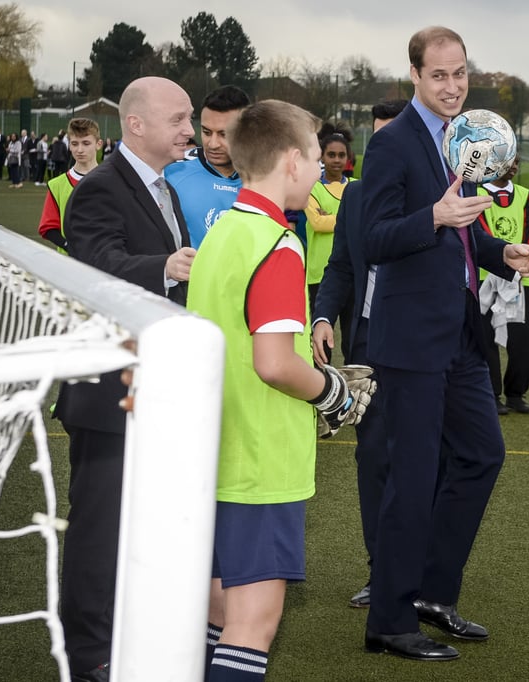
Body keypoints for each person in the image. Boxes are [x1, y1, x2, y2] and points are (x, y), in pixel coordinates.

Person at [360, 25, 529, 661]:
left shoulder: (463, 142)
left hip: (462, 334)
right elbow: (372, 240)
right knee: (410, 481)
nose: (452, 86)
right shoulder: (392, 146)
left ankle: (433, 594)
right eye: (439, 75)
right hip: (410, 340)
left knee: (481, 454)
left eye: (460, 73)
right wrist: (433, 215)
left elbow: (463, 238)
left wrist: (503, 253)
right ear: (414, 75)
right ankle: (388, 619)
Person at [188, 98, 371, 682]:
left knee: (218, 615)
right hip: (261, 460)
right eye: (317, 156)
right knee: (252, 626)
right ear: (292, 160)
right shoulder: (277, 242)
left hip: (216, 449)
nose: (322, 168)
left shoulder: (222, 232)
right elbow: (273, 364)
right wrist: (332, 392)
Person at [55, 76, 196, 682]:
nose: (190, 130)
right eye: (181, 119)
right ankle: (89, 655)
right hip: (108, 392)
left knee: (146, 526)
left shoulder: (165, 187)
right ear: (135, 125)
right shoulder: (100, 190)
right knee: (99, 530)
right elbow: (95, 268)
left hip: (155, 387)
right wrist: (164, 266)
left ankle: (132, 636)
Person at [312, 99, 408, 610]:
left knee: (423, 459)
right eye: (380, 137)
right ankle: (381, 569)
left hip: (423, 354)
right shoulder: (354, 198)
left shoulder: (437, 198)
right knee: (372, 458)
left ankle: (418, 571)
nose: (386, 145)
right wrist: (323, 315)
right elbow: (342, 267)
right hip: (368, 351)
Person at [478, 153, 529, 414]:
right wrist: (499, 260)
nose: (513, 167)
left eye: (516, 162)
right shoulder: (477, 193)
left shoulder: (524, 196)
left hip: (519, 279)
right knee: (486, 339)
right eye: (508, 162)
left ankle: (516, 393)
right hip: (485, 279)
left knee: (523, 340)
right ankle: (491, 394)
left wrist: (523, 261)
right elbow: (478, 233)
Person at [165, 85, 249, 250]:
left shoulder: (264, 177)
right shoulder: (172, 172)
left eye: (224, 134)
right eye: (207, 132)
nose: (213, 144)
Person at [306, 130, 354, 345]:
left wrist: (331, 218)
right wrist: (351, 219)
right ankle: (320, 380)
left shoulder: (356, 187)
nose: (336, 160)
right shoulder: (311, 187)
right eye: (331, 155)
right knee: (320, 340)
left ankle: (355, 380)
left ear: (348, 157)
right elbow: (317, 222)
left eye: (341, 155)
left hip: (352, 271)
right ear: (322, 157)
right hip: (319, 274)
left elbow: (368, 223)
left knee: (352, 339)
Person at [37, 118, 101, 252]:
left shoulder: (114, 181)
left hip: (106, 266)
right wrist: (69, 247)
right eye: (75, 143)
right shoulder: (57, 185)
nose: (80, 149)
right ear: (69, 146)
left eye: (86, 143)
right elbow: (48, 227)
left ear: (98, 144)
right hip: (69, 266)